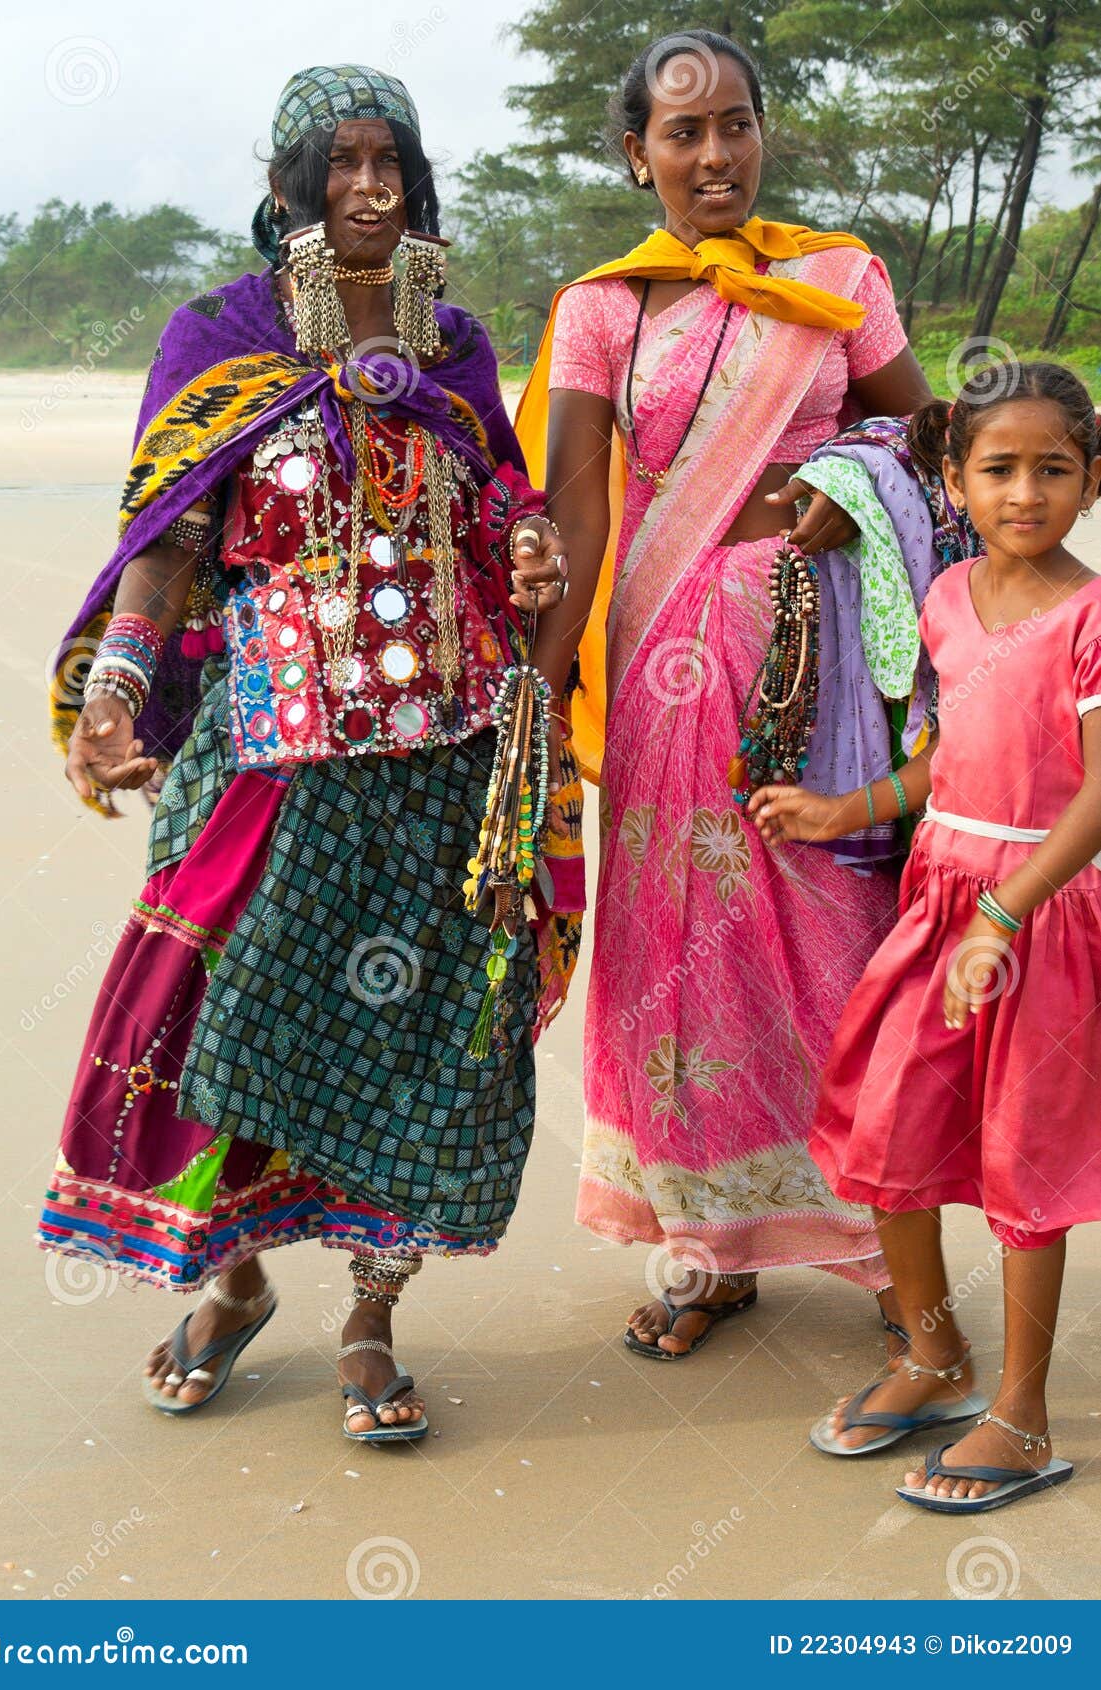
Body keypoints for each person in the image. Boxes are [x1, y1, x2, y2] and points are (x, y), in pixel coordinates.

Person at [38, 63, 579, 1443]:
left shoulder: (453, 341)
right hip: (267, 749)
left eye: (390, 161)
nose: (369, 187)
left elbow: (497, 491)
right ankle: (234, 1280)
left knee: (420, 1032)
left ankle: (371, 1317)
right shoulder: (217, 334)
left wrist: (523, 538)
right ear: (290, 184)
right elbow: (168, 535)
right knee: (217, 1007)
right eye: (340, 163)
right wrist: (116, 688)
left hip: (443, 748)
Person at [516, 29, 932, 1357]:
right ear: (633, 152)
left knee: (840, 936)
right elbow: (579, 511)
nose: (715, 154)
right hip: (661, 677)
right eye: (683, 132)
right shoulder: (604, 309)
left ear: (763, 132)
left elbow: (927, 438)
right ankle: (710, 1247)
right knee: (681, 960)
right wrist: (537, 698)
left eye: (736, 124)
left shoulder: (839, 277)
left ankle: (883, 1243)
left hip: (817, 674)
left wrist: (851, 478)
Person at [751, 363, 1101, 1511]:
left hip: (1038, 912)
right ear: (955, 481)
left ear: (1092, 483)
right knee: (887, 1119)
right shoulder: (947, 597)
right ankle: (936, 1354)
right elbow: (944, 757)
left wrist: (1006, 911)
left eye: (1054, 469)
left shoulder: (1091, 616)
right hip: (940, 895)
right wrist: (843, 811)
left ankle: (1023, 1418)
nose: (1025, 492)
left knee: (1024, 1162)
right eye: (999, 469)